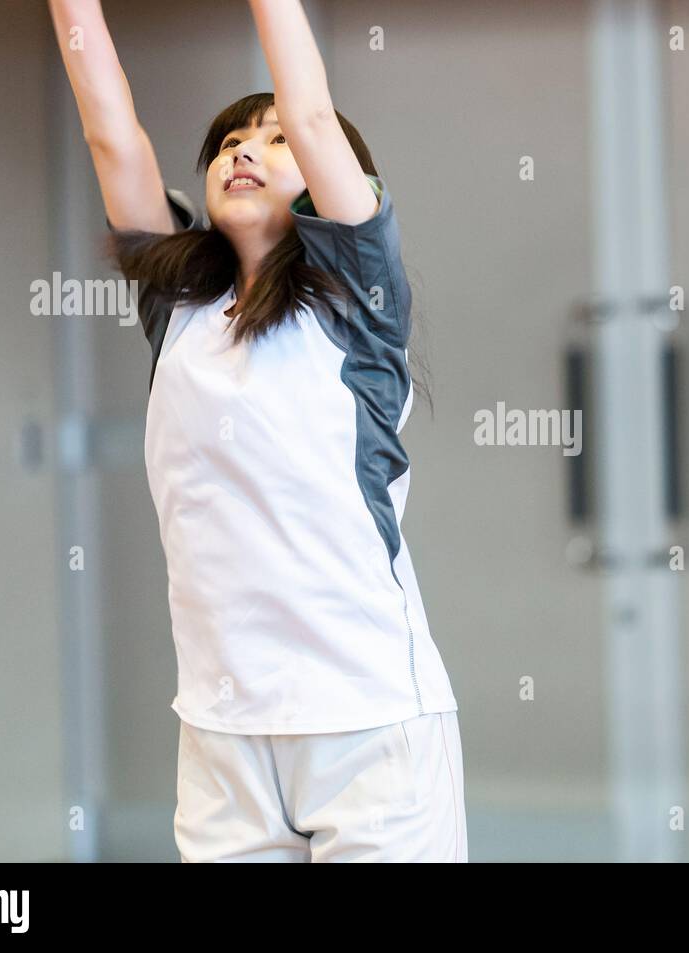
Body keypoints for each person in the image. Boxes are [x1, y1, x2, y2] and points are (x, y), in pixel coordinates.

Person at [48, 0, 465, 862]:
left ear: (322, 174)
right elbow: (111, 134)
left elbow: (313, 112)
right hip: (221, 730)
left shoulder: (358, 298)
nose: (245, 150)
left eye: (273, 142)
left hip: (368, 722)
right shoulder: (180, 308)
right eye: (232, 141)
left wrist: (288, 79)